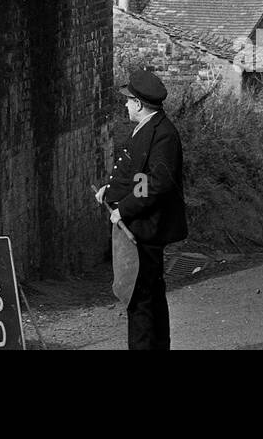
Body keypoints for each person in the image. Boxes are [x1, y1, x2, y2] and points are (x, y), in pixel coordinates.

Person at [94, 68, 187, 350]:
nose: (125, 104)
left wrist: (124, 210)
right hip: (142, 225)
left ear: (138, 104)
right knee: (150, 295)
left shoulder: (163, 135)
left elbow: (158, 183)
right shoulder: (147, 128)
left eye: (128, 100)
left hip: (148, 228)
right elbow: (136, 174)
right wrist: (109, 192)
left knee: (141, 299)